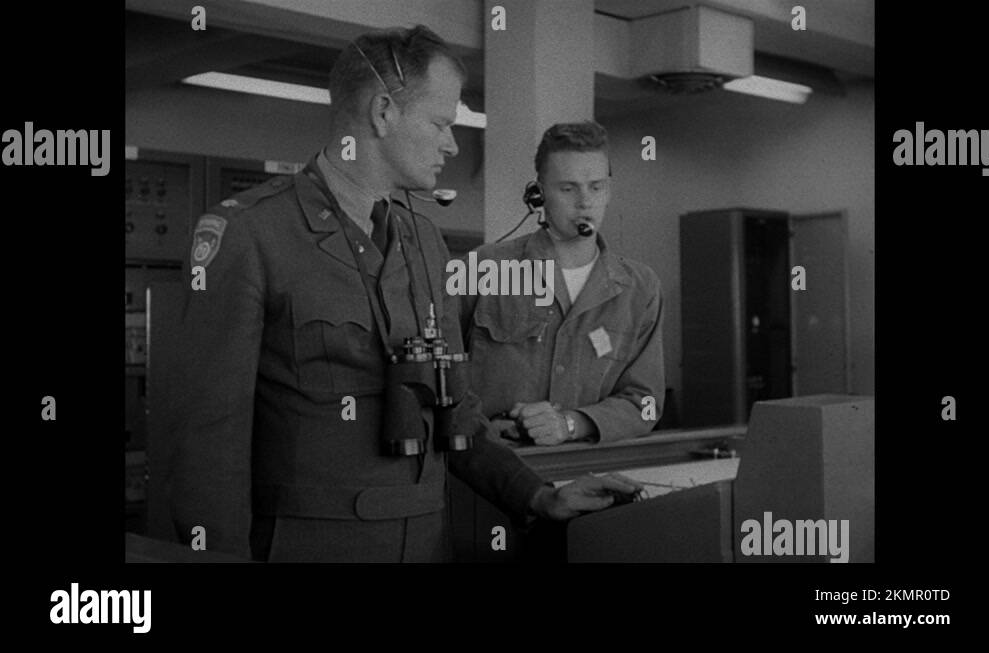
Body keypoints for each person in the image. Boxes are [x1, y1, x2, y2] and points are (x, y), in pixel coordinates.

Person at [165, 26, 640, 562]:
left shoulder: (424, 244)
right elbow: (207, 449)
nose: (452, 143)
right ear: (384, 112)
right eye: (440, 122)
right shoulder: (252, 236)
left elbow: (456, 413)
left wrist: (539, 495)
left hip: (424, 544)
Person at [461, 121, 665, 446]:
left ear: (609, 191)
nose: (585, 202)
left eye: (596, 187)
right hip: (490, 472)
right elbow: (436, 374)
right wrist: (476, 427)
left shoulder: (640, 288)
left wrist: (570, 424)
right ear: (539, 193)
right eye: (568, 189)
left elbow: (645, 403)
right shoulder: (485, 268)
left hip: (584, 472)